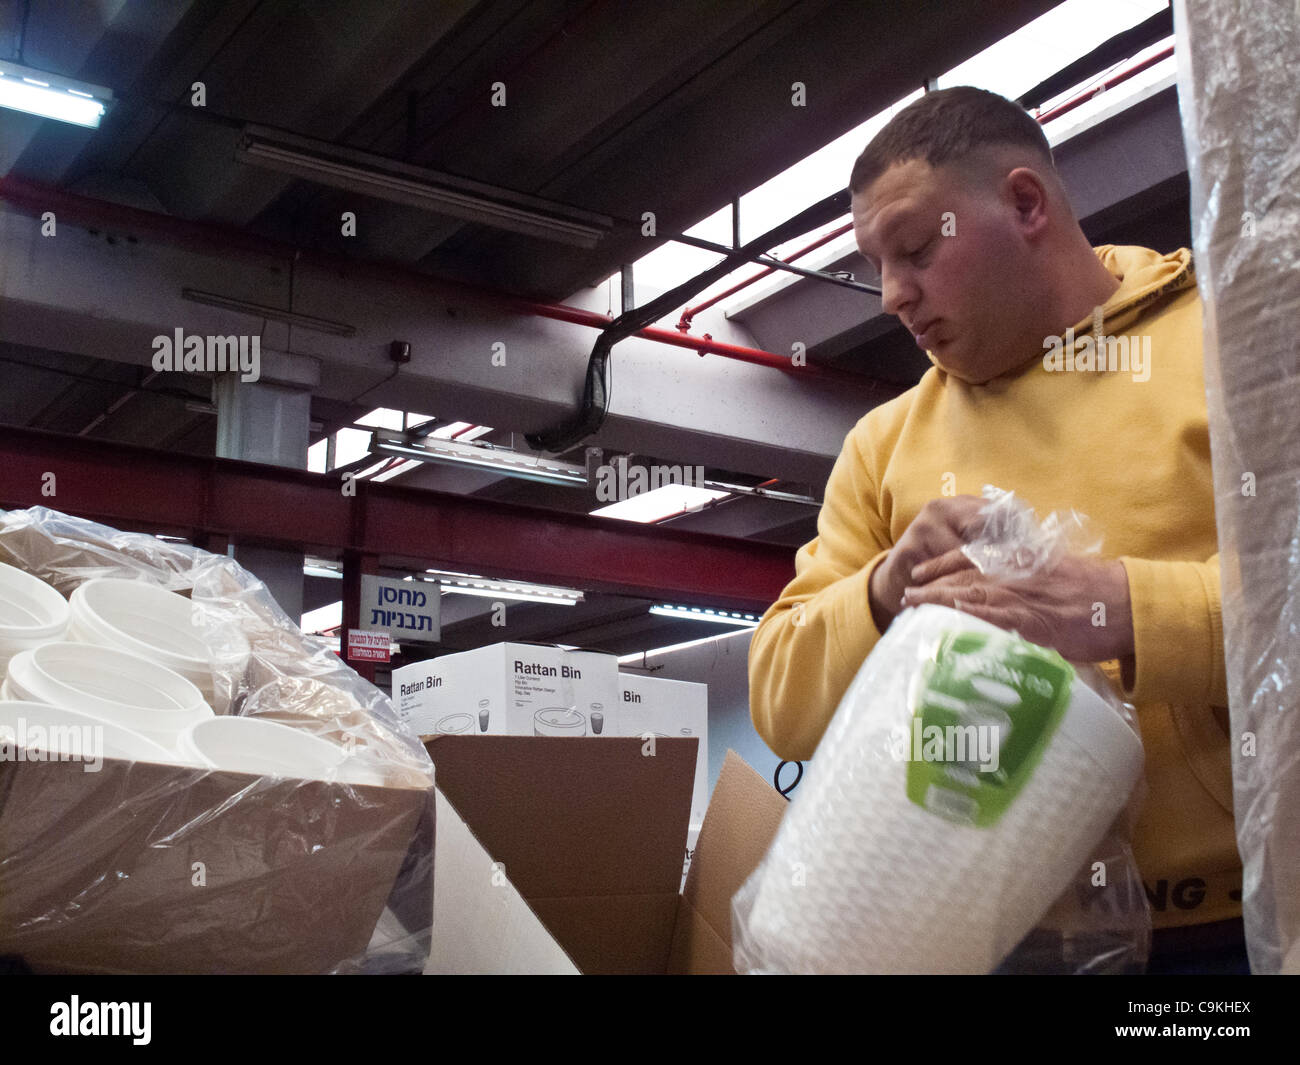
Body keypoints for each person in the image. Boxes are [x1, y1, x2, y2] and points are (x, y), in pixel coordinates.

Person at [747, 86, 1244, 972]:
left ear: (1025, 203)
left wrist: (1125, 608)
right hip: (984, 942)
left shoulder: (1235, 351)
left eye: (914, 250)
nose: (894, 296)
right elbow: (781, 703)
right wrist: (881, 591)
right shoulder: (882, 445)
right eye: (876, 266)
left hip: (1238, 926)